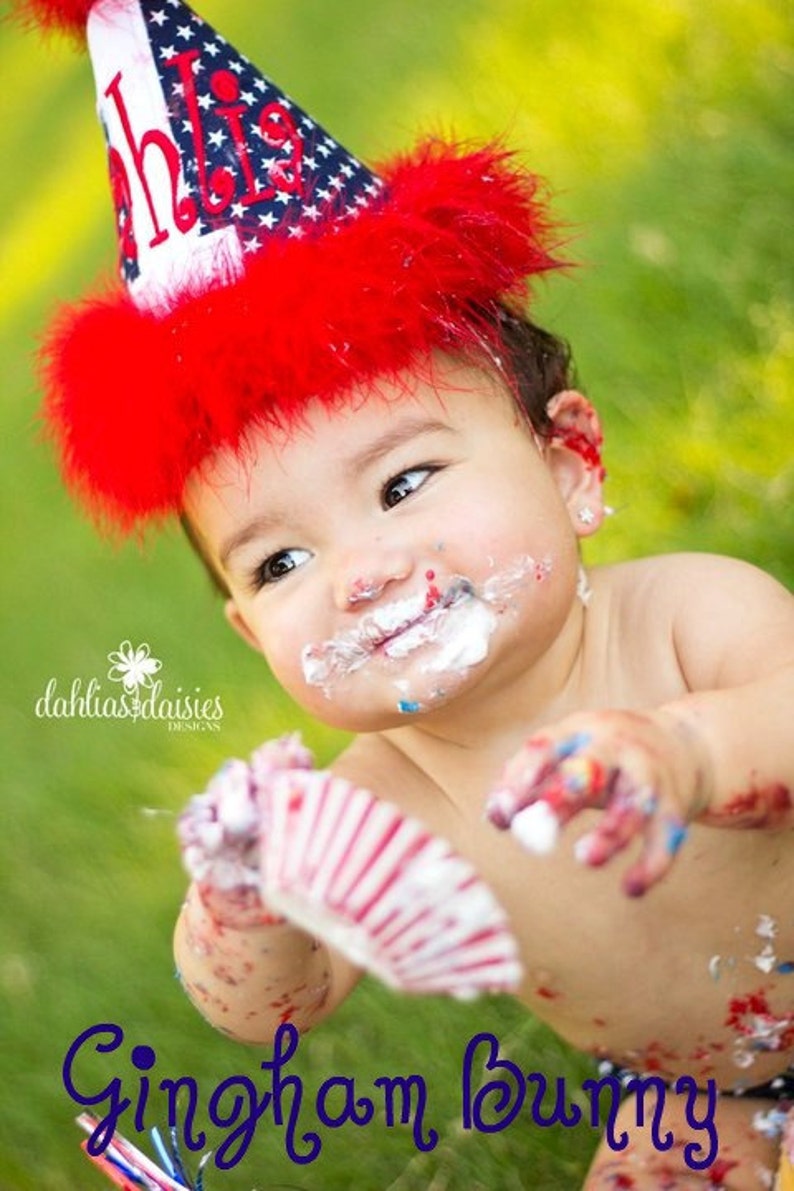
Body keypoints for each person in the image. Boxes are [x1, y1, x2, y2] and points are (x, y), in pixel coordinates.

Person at [21, 1, 793, 1187]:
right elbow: (270, 1014)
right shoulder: (375, 803)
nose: (359, 573)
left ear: (568, 464)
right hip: (699, 1086)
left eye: (404, 482)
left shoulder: (685, 619)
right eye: (279, 563)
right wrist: (242, 903)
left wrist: (683, 757)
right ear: (244, 625)